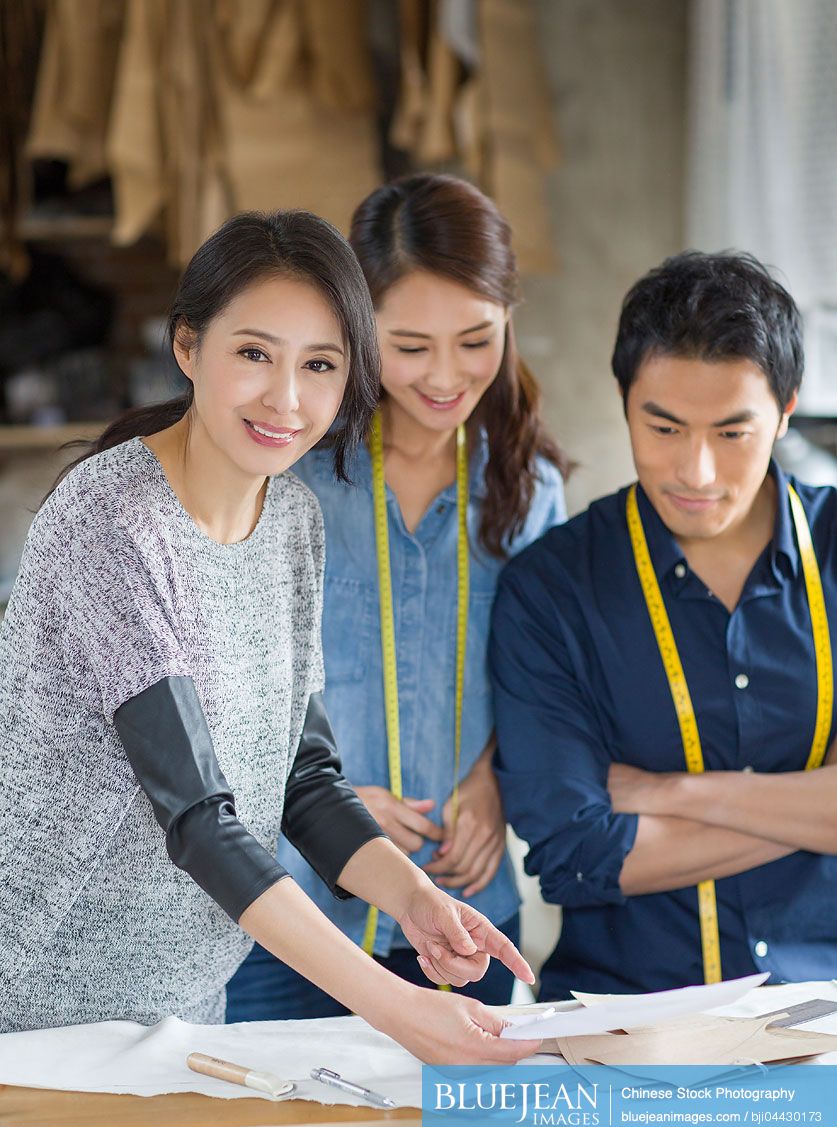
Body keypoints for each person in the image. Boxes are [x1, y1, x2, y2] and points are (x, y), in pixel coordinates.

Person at [0, 208, 543, 1066]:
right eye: (254, 353)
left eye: (319, 365)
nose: (286, 399)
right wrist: (395, 1006)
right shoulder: (112, 522)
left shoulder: (289, 516)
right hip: (44, 1003)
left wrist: (414, 898)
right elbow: (200, 817)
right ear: (188, 348)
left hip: (183, 1003)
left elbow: (303, 774)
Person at [226, 174, 569, 1021]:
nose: (446, 377)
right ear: (356, 329)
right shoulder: (285, 476)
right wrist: (324, 807)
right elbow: (223, 692)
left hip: (468, 906)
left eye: (476, 339)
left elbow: (543, 686)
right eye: (409, 345)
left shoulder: (530, 492)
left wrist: (490, 781)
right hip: (295, 905)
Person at [490, 251, 837, 999]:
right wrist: (810, 807)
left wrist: (667, 792)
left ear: (784, 411)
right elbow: (574, 852)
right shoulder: (550, 589)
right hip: (624, 1024)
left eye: (731, 433)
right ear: (624, 401)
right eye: (665, 427)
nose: (696, 472)